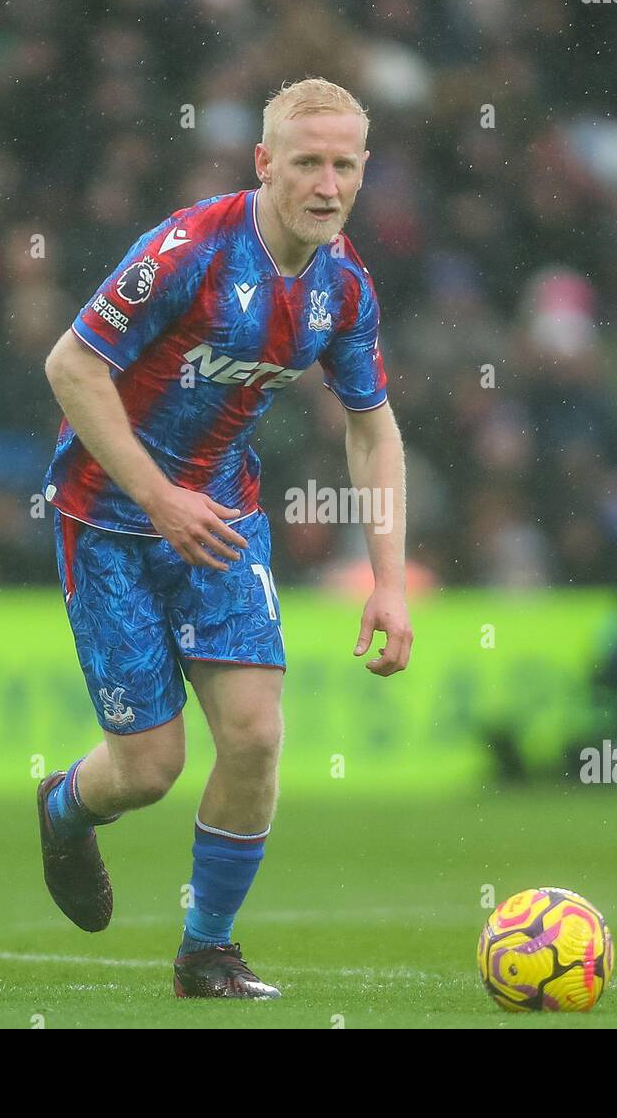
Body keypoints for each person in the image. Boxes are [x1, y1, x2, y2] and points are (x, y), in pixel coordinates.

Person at [37, 78, 413, 999]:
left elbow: (372, 427)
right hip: (109, 518)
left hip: (224, 521)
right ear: (264, 164)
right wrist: (160, 496)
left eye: (345, 165)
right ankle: (62, 807)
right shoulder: (189, 249)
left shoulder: (344, 287)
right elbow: (71, 365)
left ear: (363, 171)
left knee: (252, 735)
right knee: (151, 766)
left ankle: (207, 952)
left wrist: (390, 582)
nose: (327, 184)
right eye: (307, 163)